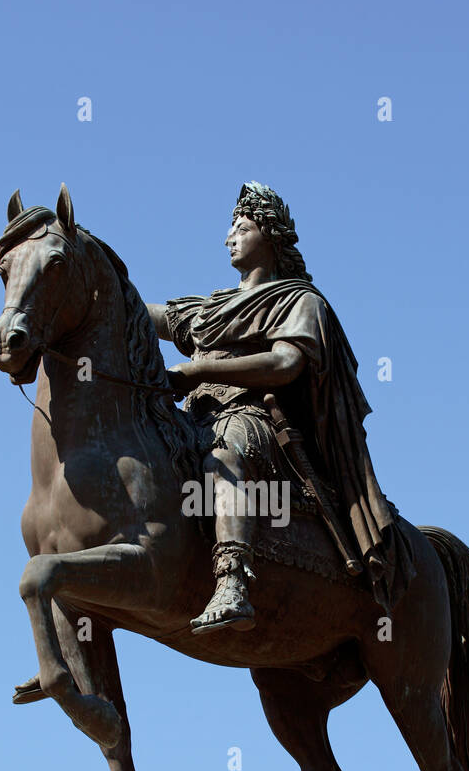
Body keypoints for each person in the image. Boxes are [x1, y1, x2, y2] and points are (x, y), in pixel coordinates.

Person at [146, 182, 414, 635]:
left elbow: (286, 362)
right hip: (195, 414)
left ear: (269, 235)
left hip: (253, 418)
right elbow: (146, 314)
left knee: (225, 451)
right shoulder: (212, 307)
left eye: (242, 227)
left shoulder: (299, 301)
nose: (229, 237)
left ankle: (233, 580)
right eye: (230, 229)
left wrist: (198, 370)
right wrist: (88, 283)